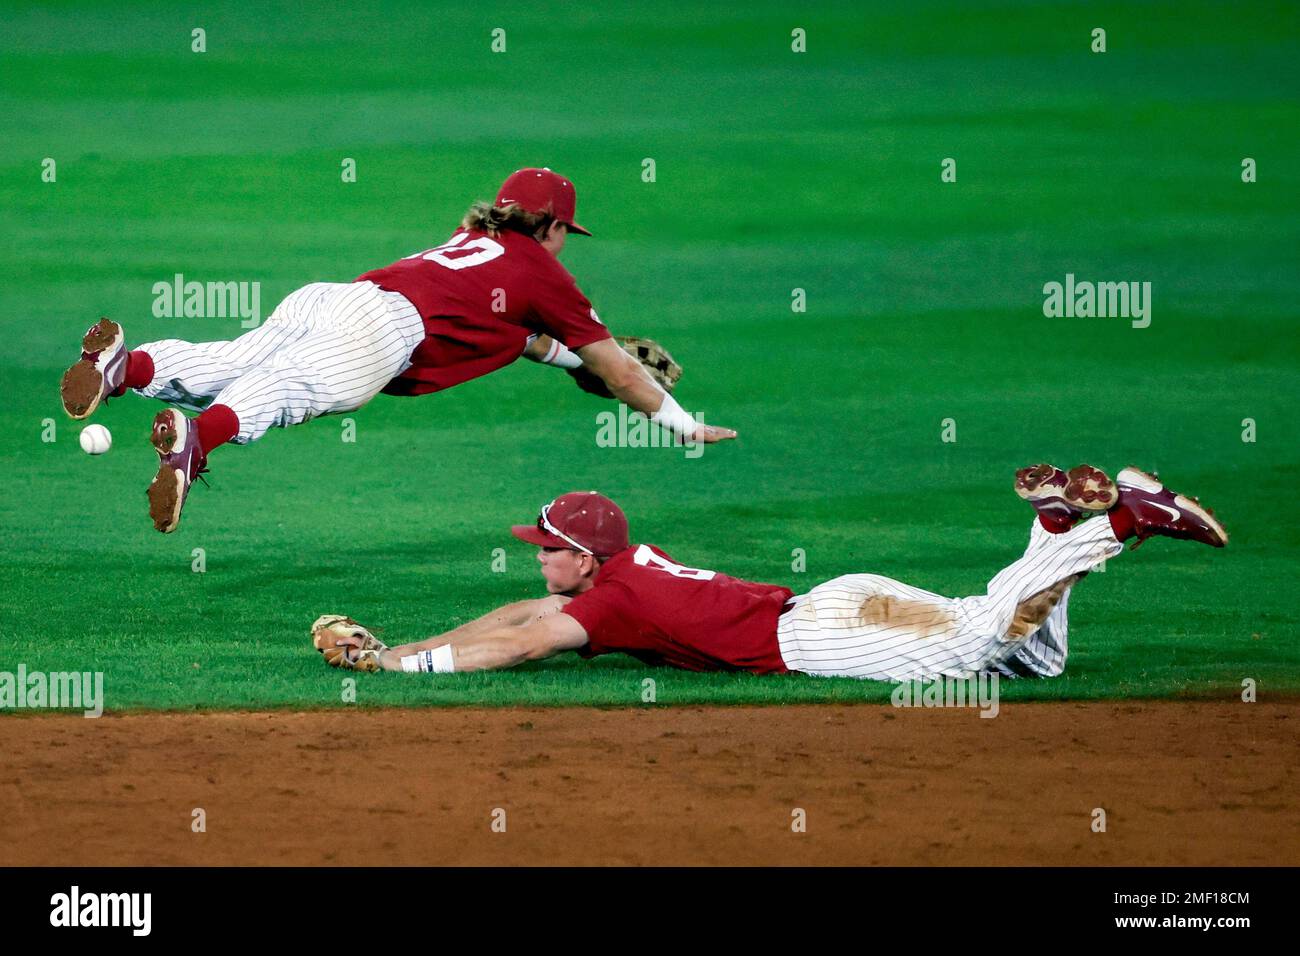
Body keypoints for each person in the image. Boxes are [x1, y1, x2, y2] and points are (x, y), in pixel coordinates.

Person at [59, 167, 736, 533]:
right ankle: (196, 442)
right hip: (383, 331)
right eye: (566, 232)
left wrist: (568, 362)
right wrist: (682, 423)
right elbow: (619, 373)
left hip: (332, 297)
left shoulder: (472, 236)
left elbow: (519, 337)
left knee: (238, 359)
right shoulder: (541, 270)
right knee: (293, 391)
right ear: (554, 226)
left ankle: (128, 367)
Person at [312, 463, 1227, 681]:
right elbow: (517, 612)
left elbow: (529, 640)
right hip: (840, 601)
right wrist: (411, 639)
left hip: (826, 631)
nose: (536, 556)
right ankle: (1054, 524)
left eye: (547, 546)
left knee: (988, 636)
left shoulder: (608, 596)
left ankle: (1123, 521)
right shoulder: (622, 566)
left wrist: (400, 668)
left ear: (583, 557)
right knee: (1031, 659)